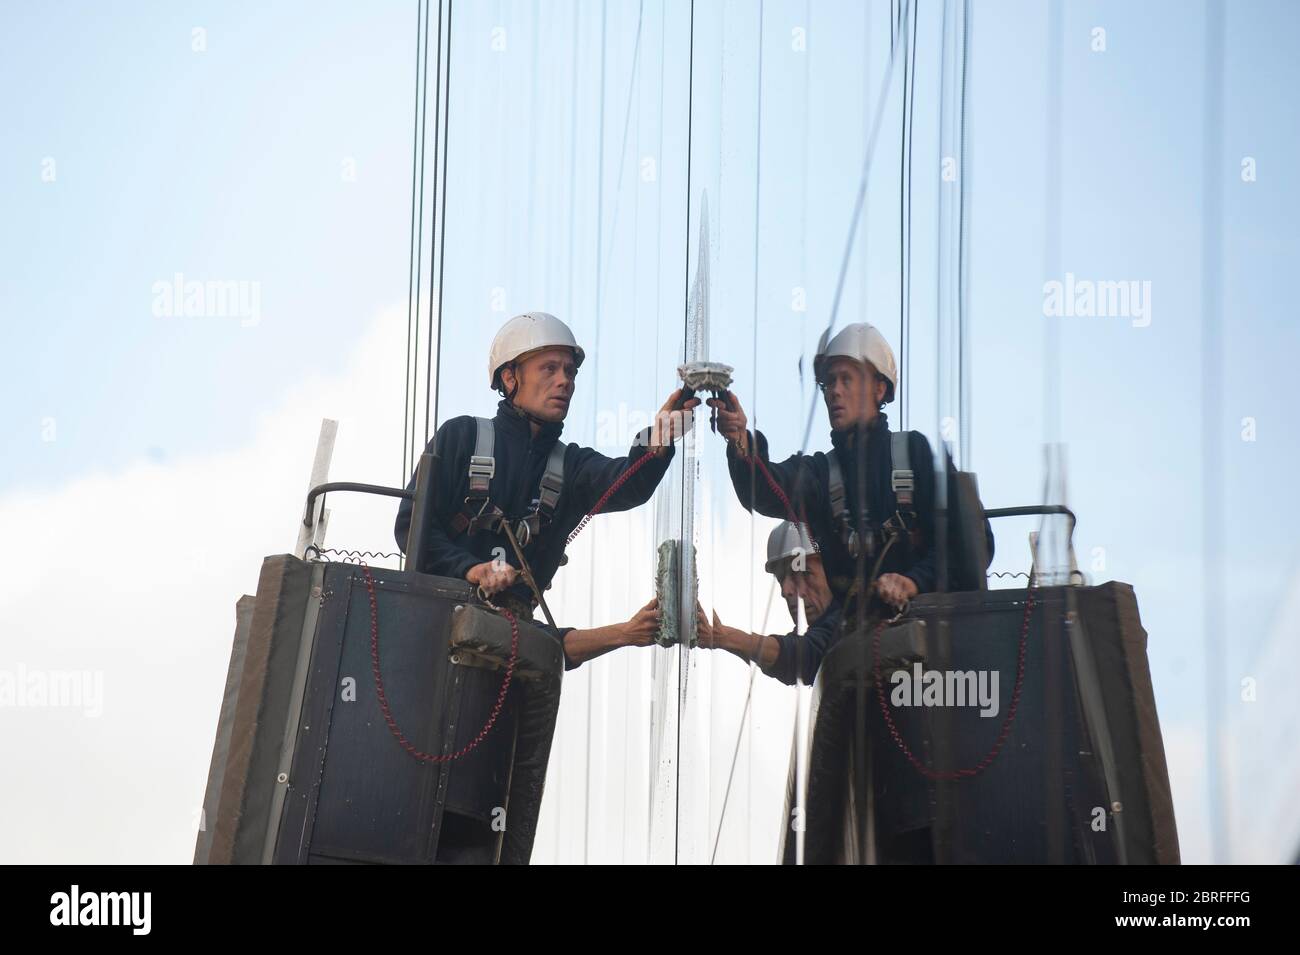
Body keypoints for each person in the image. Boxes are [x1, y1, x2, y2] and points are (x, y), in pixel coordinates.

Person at [394, 311, 699, 667]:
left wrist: (658, 440)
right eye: (549, 369)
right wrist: (471, 569)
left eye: (569, 372)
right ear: (510, 378)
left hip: (507, 648)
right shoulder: (461, 437)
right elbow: (411, 527)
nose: (564, 381)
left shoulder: (570, 467)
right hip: (432, 628)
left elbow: (627, 484)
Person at [707, 322, 992, 618]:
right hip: (857, 648)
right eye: (829, 382)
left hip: (934, 635)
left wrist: (914, 581)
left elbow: (973, 544)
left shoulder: (914, 454)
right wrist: (740, 440)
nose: (835, 392)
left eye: (847, 379)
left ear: (879, 388)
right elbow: (765, 490)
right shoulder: (820, 473)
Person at [697, 521, 842, 686]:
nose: (785, 590)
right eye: (781, 579)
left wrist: (725, 638)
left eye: (802, 573)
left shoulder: (854, 620)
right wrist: (723, 639)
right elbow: (789, 657)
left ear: (832, 570)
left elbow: (805, 655)